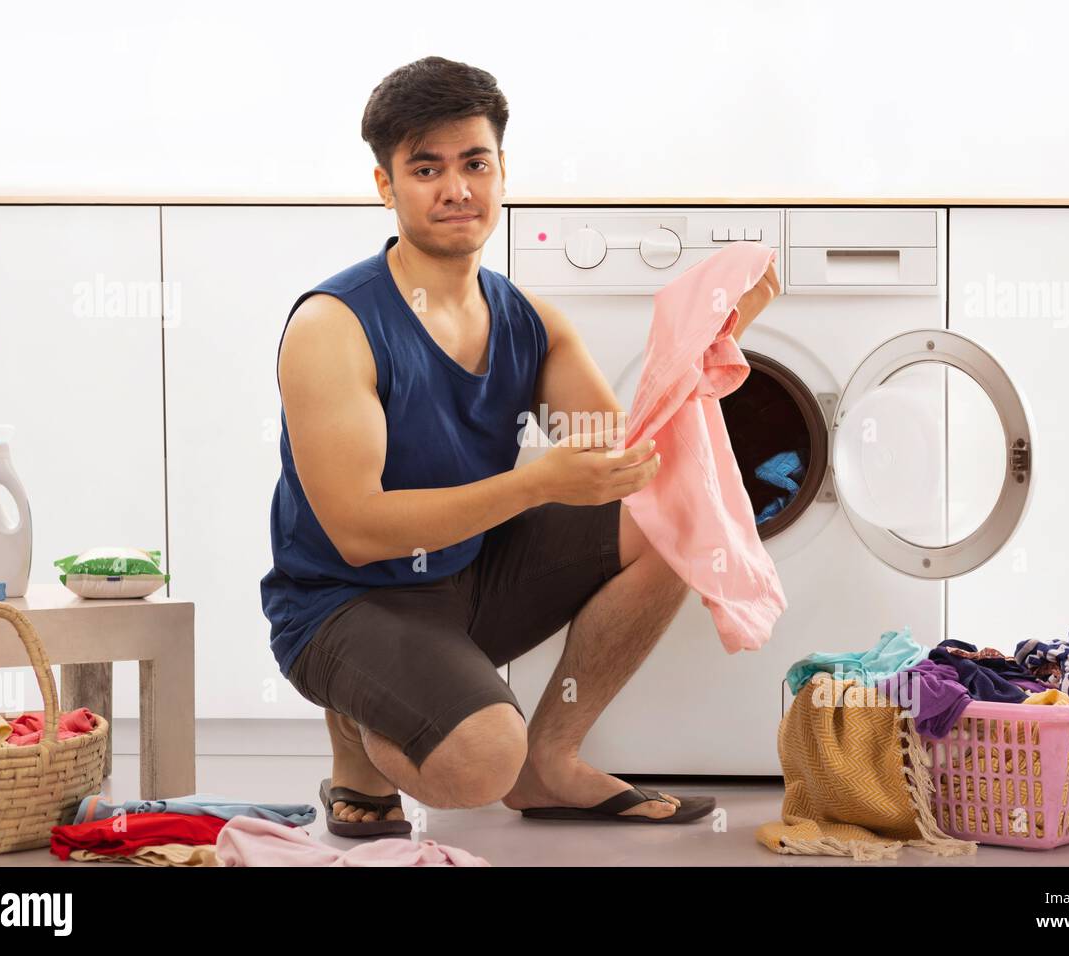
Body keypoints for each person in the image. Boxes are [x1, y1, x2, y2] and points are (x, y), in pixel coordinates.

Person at [260, 56, 780, 834]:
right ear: (385, 185)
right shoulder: (333, 327)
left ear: (502, 170)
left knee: (668, 515)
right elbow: (358, 532)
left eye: (473, 163)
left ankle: (551, 763)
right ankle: (363, 731)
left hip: (465, 585)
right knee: (477, 762)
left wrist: (705, 350)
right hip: (346, 605)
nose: (456, 188)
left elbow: (625, 462)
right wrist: (538, 484)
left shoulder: (531, 323)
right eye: (425, 168)